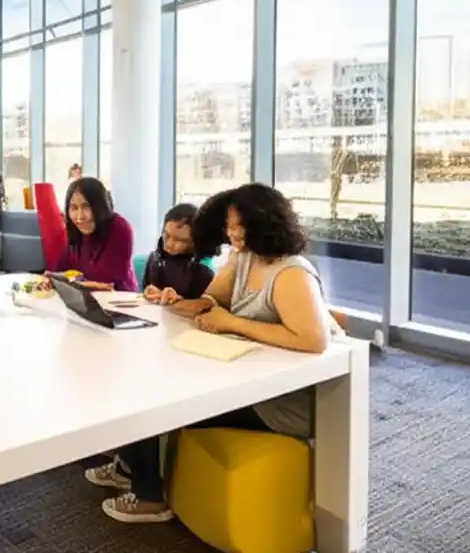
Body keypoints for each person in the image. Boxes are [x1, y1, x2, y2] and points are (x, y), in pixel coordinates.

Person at [87, 183, 341, 524]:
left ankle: (149, 497)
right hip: (251, 378)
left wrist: (232, 323)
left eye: (240, 226)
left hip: (281, 404)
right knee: (138, 377)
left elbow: (313, 340)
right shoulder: (244, 258)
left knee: (150, 396)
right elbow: (211, 301)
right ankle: (130, 466)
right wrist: (175, 301)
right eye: (229, 226)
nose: (232, 234)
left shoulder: (290, 272)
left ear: (265, 223)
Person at [53, 177, 136, 292]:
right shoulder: (76, 230)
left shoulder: (119, 228)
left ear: (99, 206)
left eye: (86, 206)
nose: (79, 216)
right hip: (85, 301)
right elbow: (58, 274)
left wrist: (71, 281)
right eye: (74, 208)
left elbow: (106, 283)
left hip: (120, 302)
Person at [141, 203, 214, 304]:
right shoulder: (154, 259)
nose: (169, 243)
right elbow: (146, 290)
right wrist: (150, 293)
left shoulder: (203, 271)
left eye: (180, 240)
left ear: (194, 243)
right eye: (167, 235)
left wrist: (179, 301)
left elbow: (206, 306)